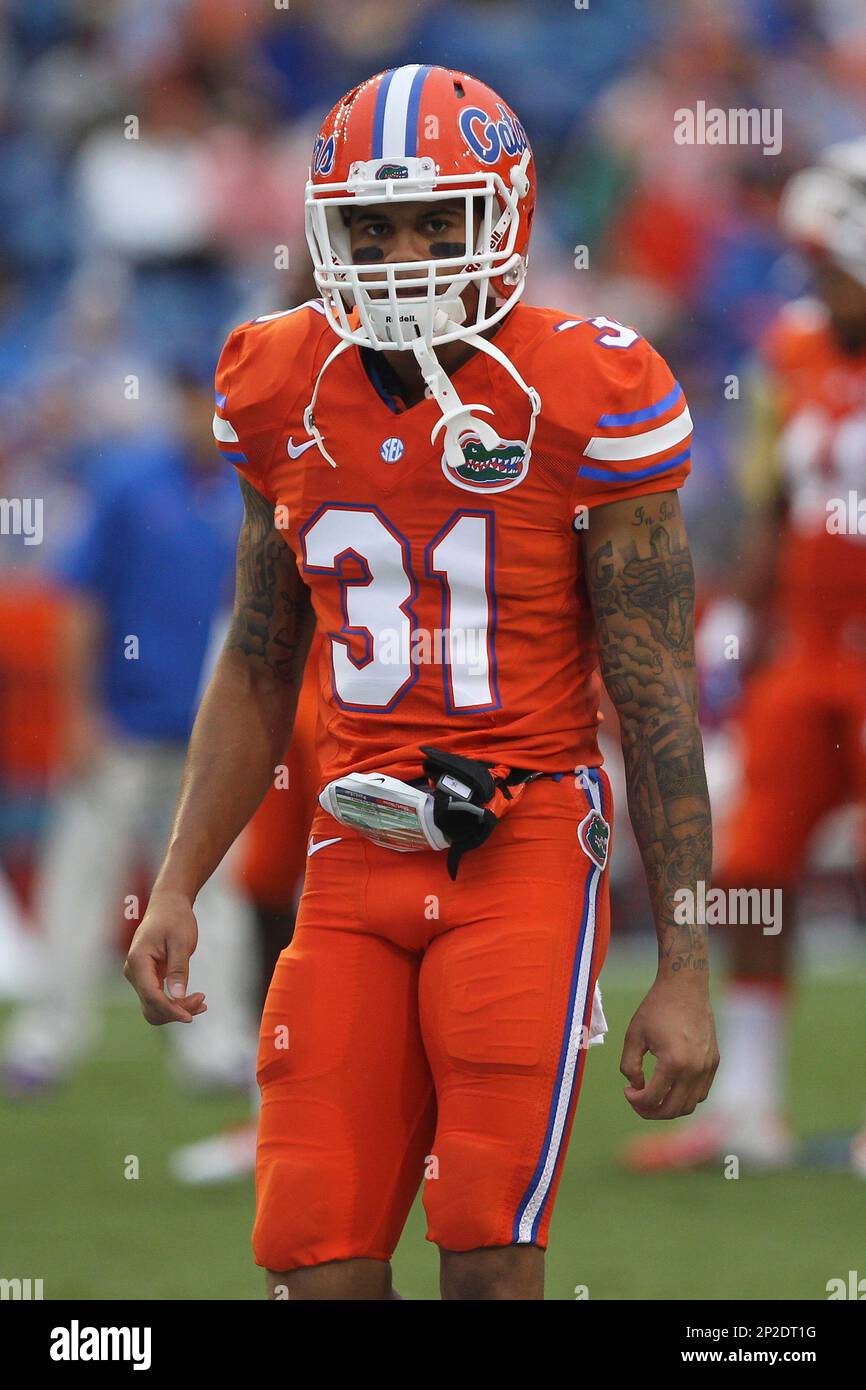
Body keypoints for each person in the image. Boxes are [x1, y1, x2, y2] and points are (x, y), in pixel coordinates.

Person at [125, 65, 717, 1301]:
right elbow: (256, 655)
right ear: (323, 232)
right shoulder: (276, 377)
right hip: (352, 848)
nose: (402, 254)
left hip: (524, 841)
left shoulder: (589, 382)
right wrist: (178, 878)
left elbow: (654, 690)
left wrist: (684, 959)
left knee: (486, 1258)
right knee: (314, 1263)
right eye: (372, 226)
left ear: (500, 216)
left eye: (435, 221)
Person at [623, 139, 866, 1174]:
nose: (815, 287)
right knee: (752, 867)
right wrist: (737, 635)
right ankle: (756, 1108)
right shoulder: (792, 352)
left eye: (828, 266)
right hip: (805, 657)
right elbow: (772, 504)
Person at [4, 373, 257, 1094]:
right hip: (123, 725)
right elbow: (81, 601)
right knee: (80, 879)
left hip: (213, 738)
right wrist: (79, 713)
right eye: (186, 396)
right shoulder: (129, 483)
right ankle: (47, 1035)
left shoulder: (256, 486)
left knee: (216, 889)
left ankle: (215, 1039)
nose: (197, 413)